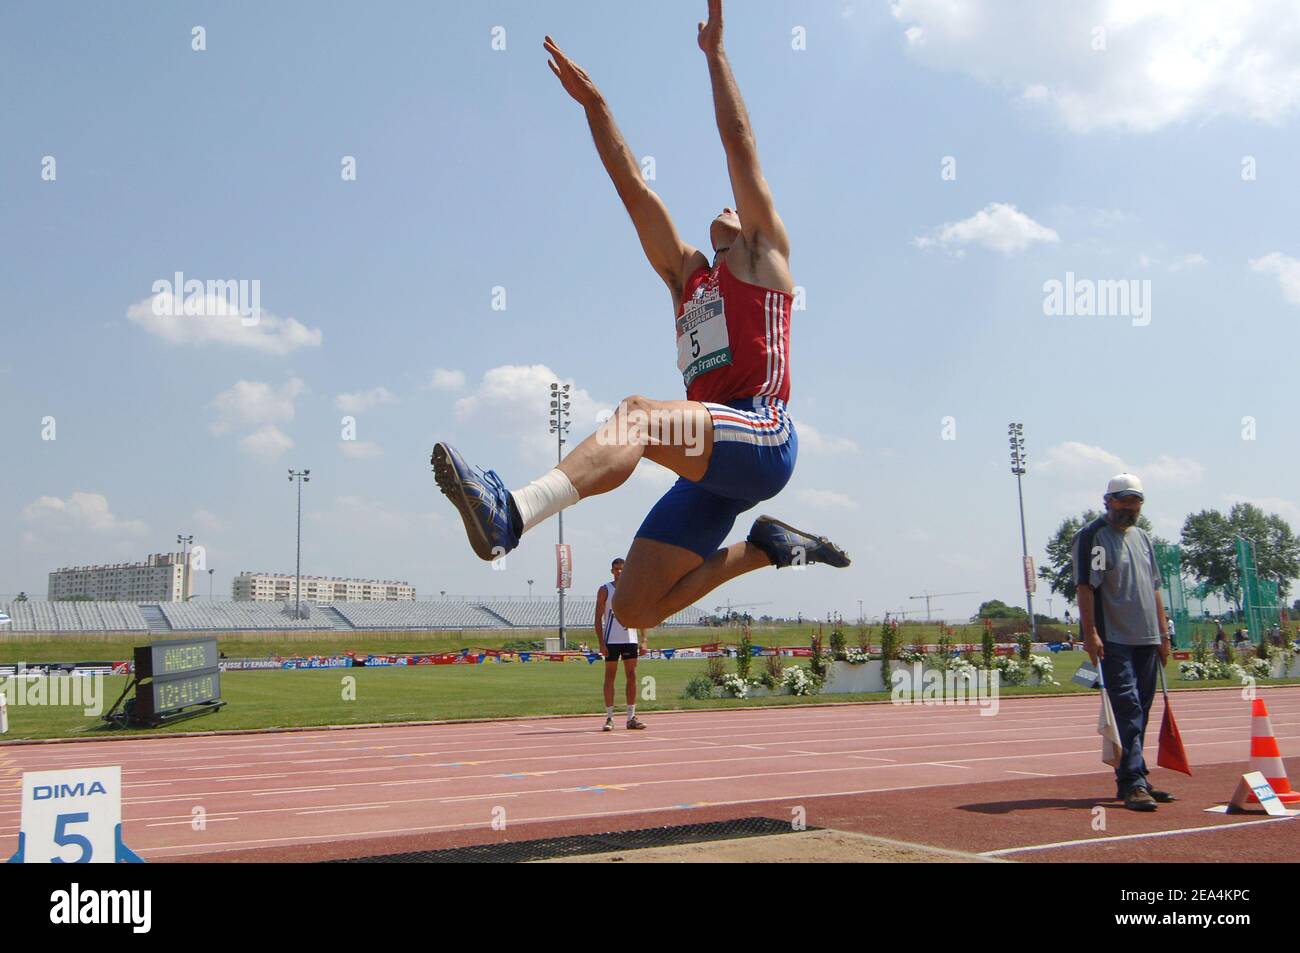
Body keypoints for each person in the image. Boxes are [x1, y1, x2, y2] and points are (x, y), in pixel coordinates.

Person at [430, 0, 849, 636]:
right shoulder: (687, 276)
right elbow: (634, 189)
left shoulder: (764, 253)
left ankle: (510, 513)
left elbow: (739, 143)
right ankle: (767, 548)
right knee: (632, 606)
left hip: (762, 434)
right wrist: (596, 108)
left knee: (637, 416)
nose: (726, 209)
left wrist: (716, 57)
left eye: (733, 209)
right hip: (713, 463)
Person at [1072, 473, 1176, 812]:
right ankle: (1133, 782)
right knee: (1127, 708)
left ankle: (1135, 778)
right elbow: (1087, 587)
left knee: (1141, 710)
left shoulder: (1143, 538)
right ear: (1108, 501)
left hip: (1147, 638)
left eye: (1135, 500)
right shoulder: (1095, 538)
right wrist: (1090, 634)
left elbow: (1155, 587)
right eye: (1123, 499)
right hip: (1114, 638)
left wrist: (1163, 634)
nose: (1129, 506)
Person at [595, 557, 645, 731]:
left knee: (632, 675)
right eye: (616, 569)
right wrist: (601, 643)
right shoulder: (605, 590)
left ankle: (631, 717)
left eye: (622, 569)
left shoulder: (633, 590)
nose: (619, 572)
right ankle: (609, 718)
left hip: (630, 639)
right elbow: (597, 618)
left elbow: (641, 616)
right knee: (610, 676)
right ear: (612, 571)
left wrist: (644, 640)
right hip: (611, 640)